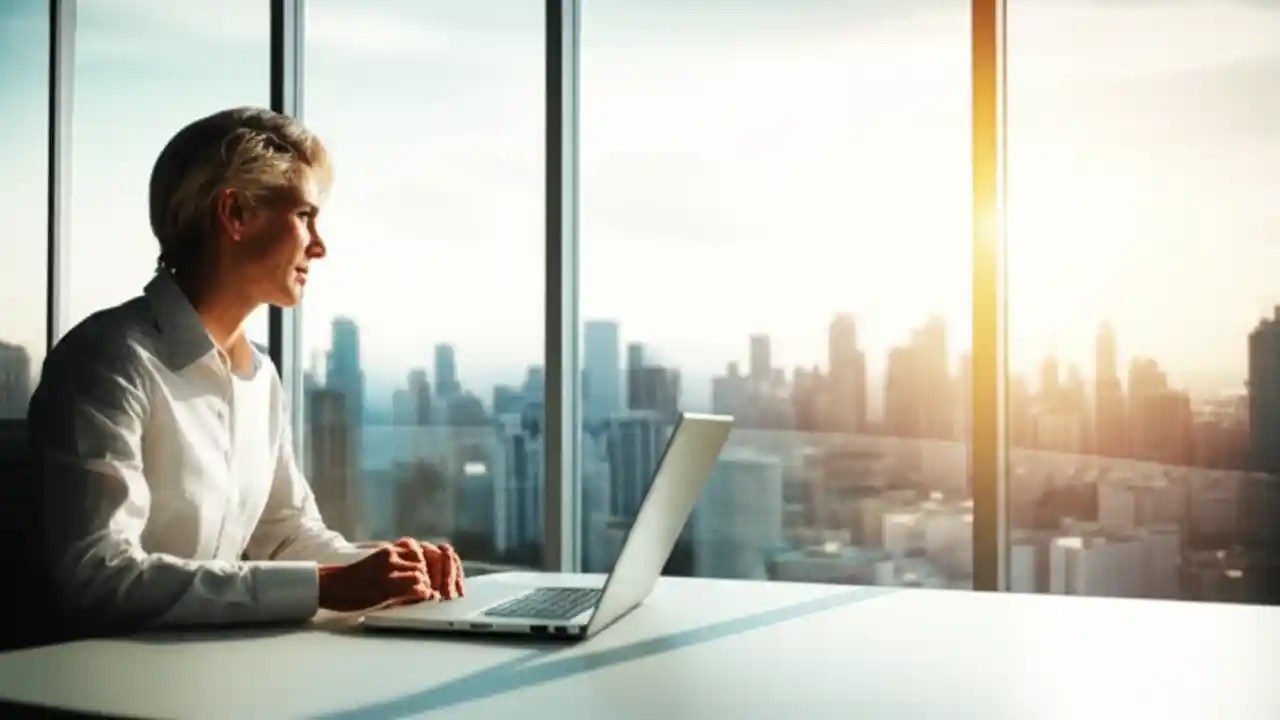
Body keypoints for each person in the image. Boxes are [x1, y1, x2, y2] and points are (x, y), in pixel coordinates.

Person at [22, 107, 463, 640]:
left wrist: (389, 568)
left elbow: (287, 536)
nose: (319, 246)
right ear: (235, 213)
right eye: (304, 215)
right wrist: (326, 586)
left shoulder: (260, 377)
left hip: (213, 663)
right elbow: (98, 575)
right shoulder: (110, 360)